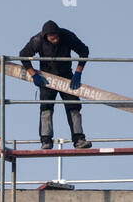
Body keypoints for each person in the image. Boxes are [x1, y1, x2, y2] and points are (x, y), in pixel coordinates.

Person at [19, 20, 91, 149]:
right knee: (46, 109)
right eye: (52, 38)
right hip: (46, 79)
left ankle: (79, 139)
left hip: (67, 78)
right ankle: (46, 140)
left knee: (74, 107)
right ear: (46, 36)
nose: (56, 40)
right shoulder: (37, 40)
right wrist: (33, 74)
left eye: (57, 37)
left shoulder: (67, 36)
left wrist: (78, 72)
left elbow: (84, 51)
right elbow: (23, 55)